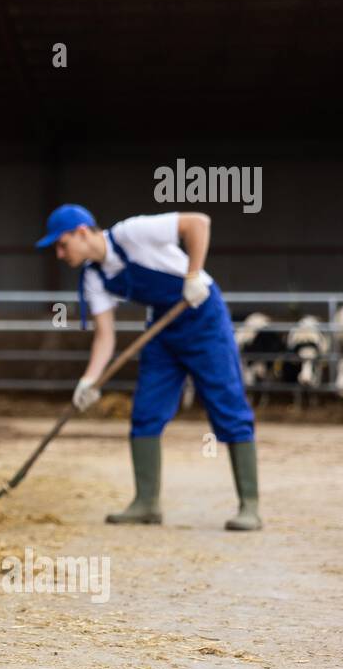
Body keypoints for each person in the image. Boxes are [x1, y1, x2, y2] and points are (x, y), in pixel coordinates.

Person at [35, 203, 262, 531]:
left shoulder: (132, 233)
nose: (59, 253)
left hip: (203, 315)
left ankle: (249, 506)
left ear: (82, 233)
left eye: (62, 244)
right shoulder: (94, 277)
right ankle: (146, 504)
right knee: (145, 412)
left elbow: (198, 223)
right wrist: (89, 381)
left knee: (227, 406)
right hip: (163, 329)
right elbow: (105, 336)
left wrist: (193, 275)